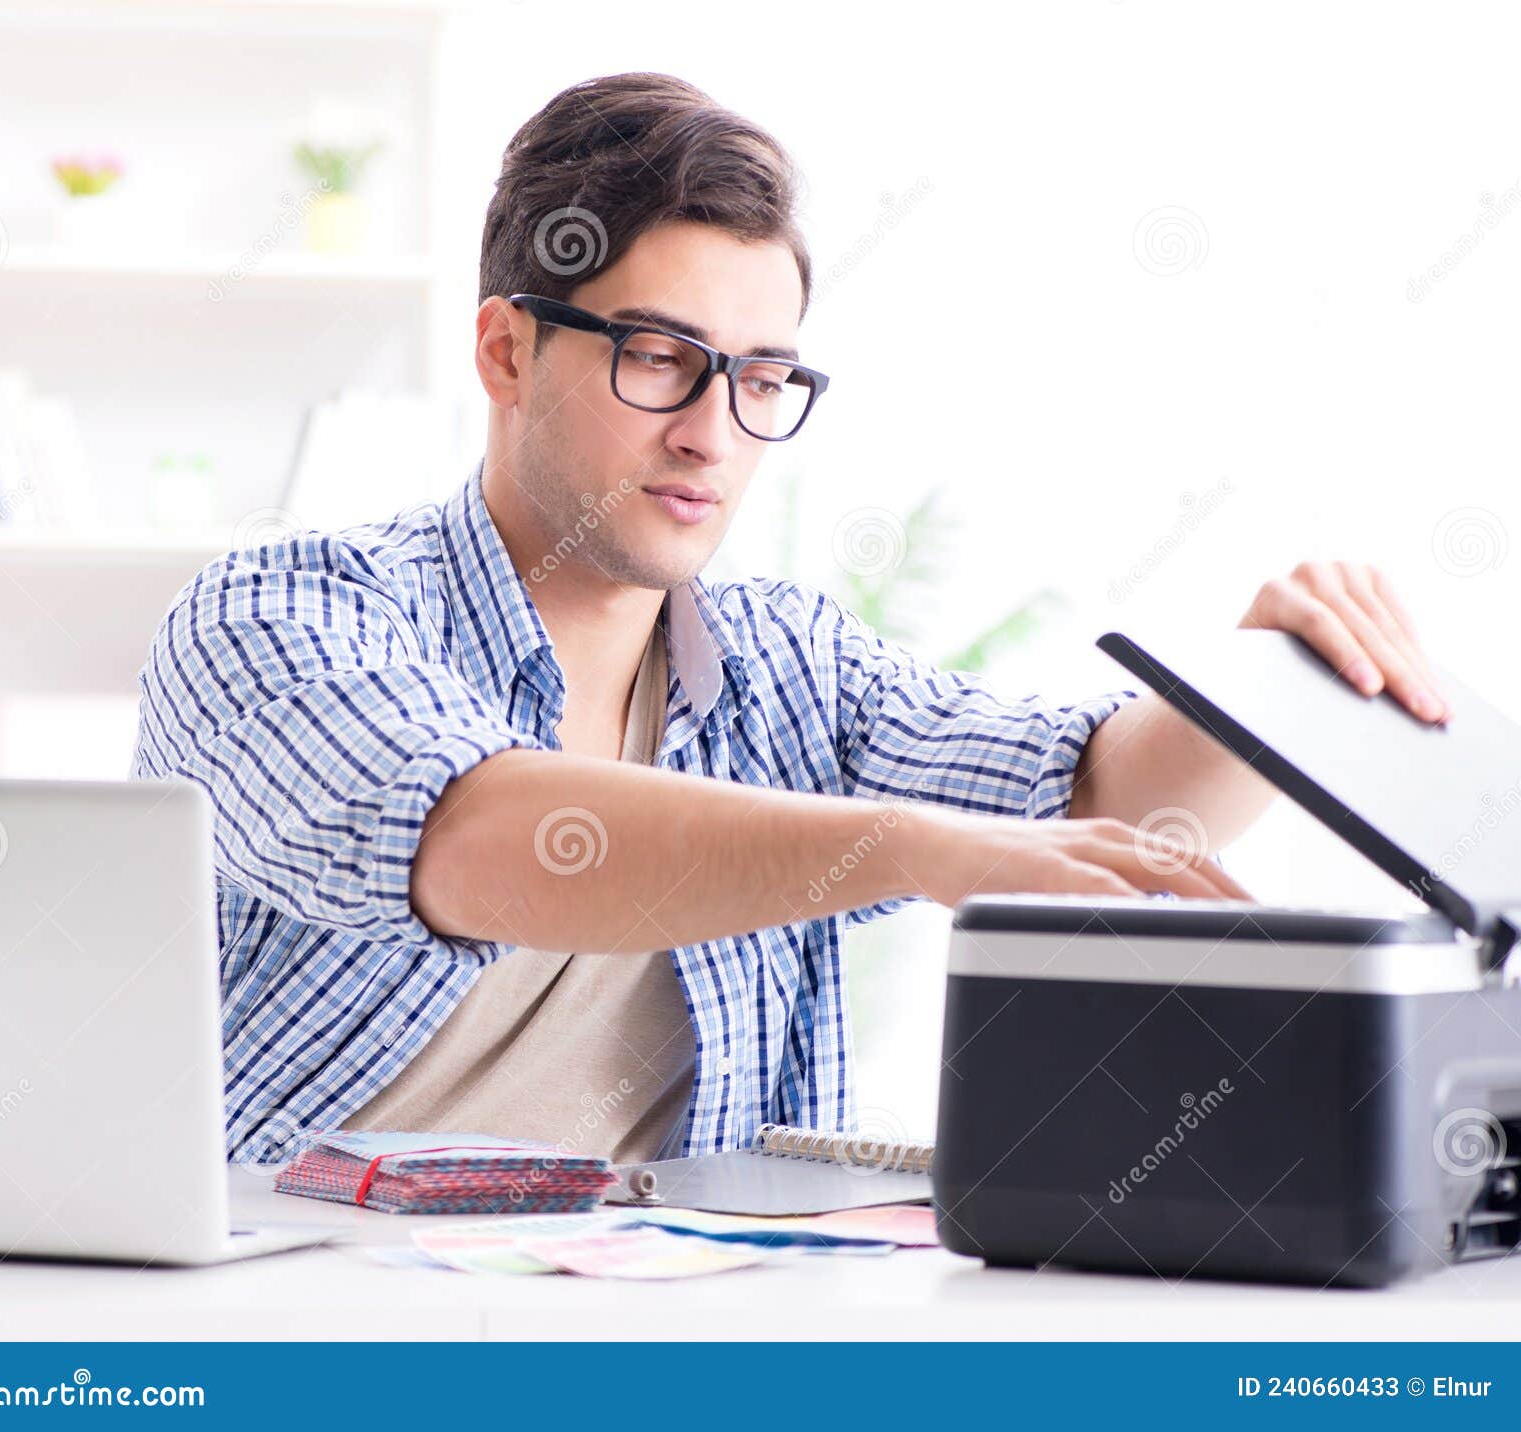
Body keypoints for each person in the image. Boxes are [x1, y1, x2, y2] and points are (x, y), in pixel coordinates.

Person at [133, 73, 1449, 1167]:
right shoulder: (281, 615)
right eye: (659, 359)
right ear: (506, 352)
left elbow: (1092, 802)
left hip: (686, 1325)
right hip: (314, 1321)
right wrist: (908, 846)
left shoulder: (783, 663)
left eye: (761, 378)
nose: (713, 432)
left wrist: (1272, 686)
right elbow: (480, 839)